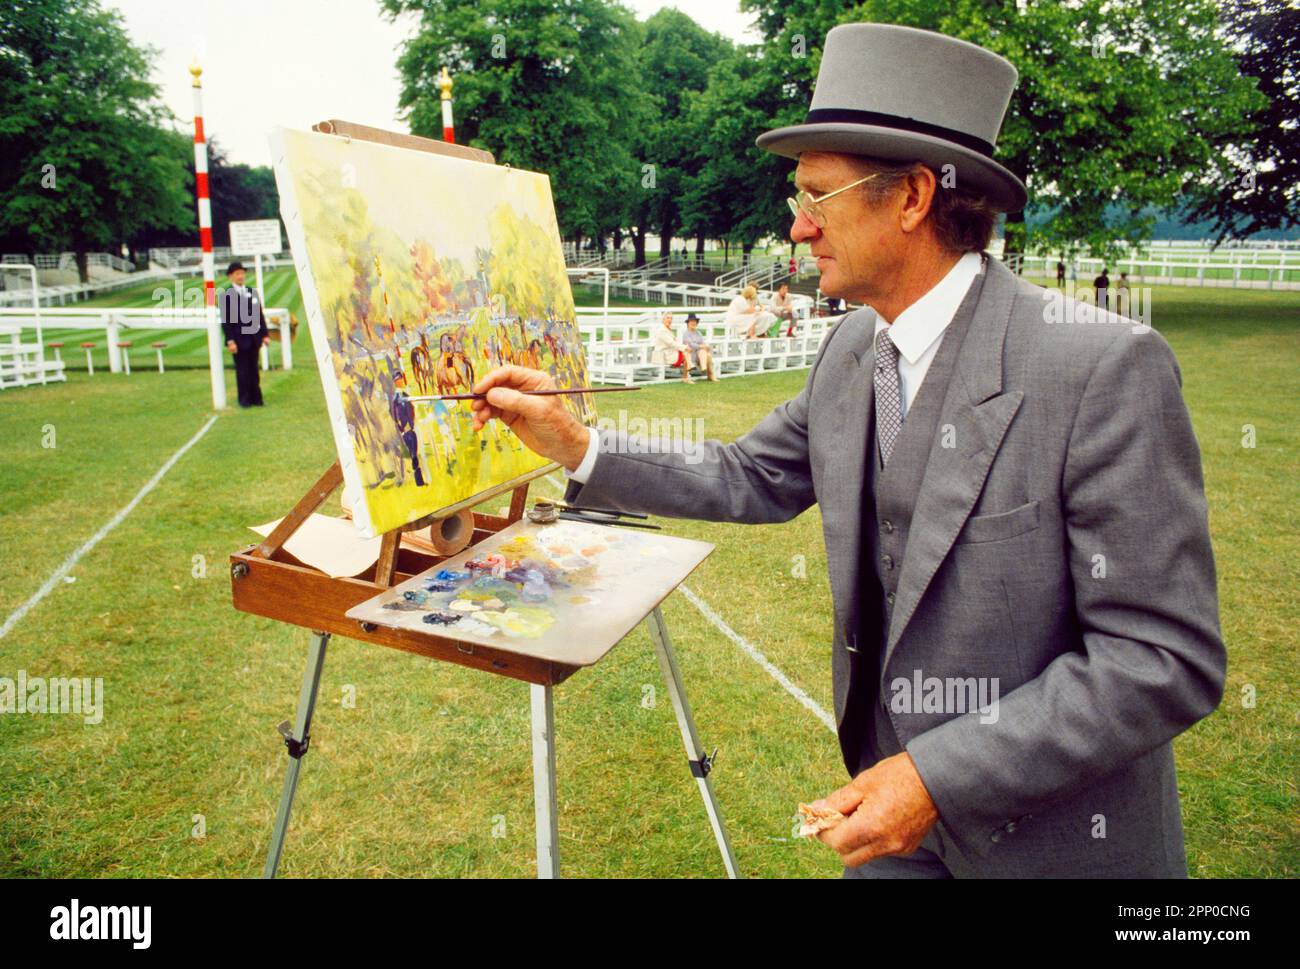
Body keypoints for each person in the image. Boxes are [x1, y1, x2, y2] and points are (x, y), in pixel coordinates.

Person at [469, 23, 1224, 879]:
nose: (797, 229)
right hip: (890, 831)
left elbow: (1162, 658)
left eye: (816, 197)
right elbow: (750, 473)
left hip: (1048, 852)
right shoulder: (853, 350)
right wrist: (578, 444)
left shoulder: (1100, 367)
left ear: (910, 199)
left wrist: (938, 776)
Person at [221, 261, 270, 407]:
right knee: (242, 372)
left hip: (253, 338)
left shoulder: (251, 292)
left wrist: (265, 335)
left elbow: (259, 315)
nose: (240, 276)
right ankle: (244, 400)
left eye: (242, 273)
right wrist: (230, 341)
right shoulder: (226, 296)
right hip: (238, 339)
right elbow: (226, 321)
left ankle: (257, 399)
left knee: (254, 370)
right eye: (237, 273)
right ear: (231, 276)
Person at [650, 311, 693, 383]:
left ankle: (686, 375)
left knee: (686, 353)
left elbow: (675, 342)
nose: (669, 320)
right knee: (686, 354)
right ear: (663, 319)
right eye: (668, 318)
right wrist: (684, 347)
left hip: (670, 352)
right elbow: (672, 343)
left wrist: (684, 347)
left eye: (671, 318)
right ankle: (686, 375)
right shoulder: (661, 330)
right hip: (664, 354)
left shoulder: (667, 329)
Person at [682, 313, 718, 381]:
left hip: (700, 356)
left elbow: (702, 343)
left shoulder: (698, 333)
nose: (693, 323)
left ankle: (705, 369)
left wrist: (706, 347)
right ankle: (709, 374)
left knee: (707, 354)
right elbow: (691, 345)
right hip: (691, 355)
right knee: (705, 353)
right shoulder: (686, 334)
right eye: (691, 321)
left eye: (695, 321)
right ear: (688, 323)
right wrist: (702, 346)